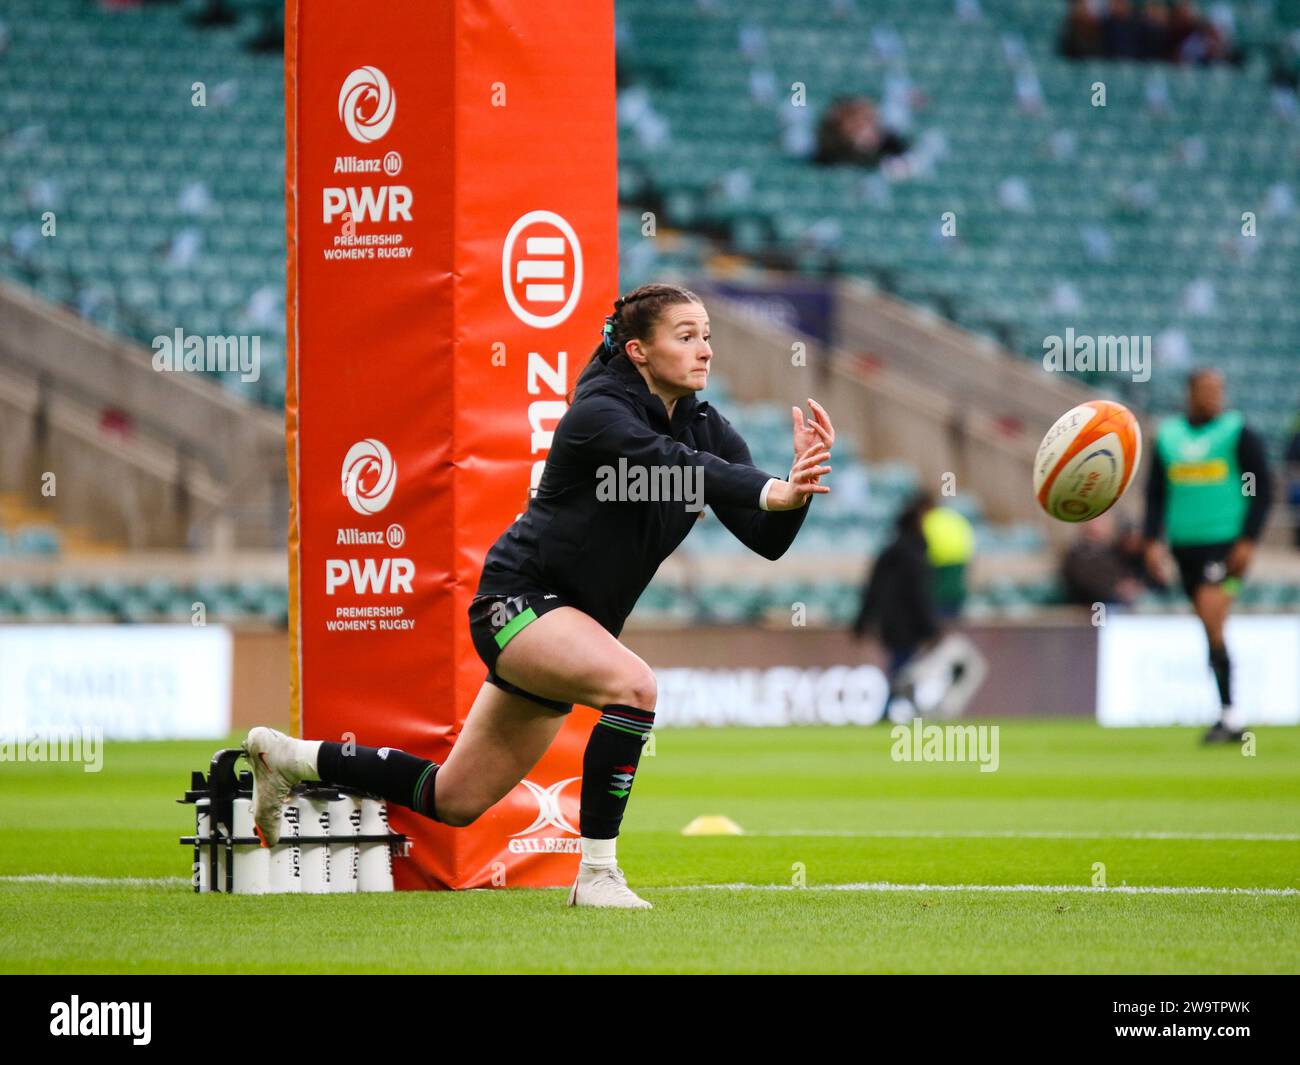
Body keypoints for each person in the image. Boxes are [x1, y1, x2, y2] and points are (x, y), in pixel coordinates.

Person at [243, 283, 835, 908]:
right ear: (638, 350)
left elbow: (766, 540)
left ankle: (290, 758)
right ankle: (598, 876)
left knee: (455, 798)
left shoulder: (704, 425)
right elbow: (668, 465)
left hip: (571, 622)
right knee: (635, 688)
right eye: (686, 336)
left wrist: (795, 493)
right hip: (517, 602)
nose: (705, 350)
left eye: (707, 335)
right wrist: (772, 486)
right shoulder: (599, 412)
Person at [1142, 369, 1273, 743]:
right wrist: (1152, 540)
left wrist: (1248, 539)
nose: (1215, 395)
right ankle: (1227, 713)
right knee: (1207, 622)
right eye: (1207, 389)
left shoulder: (1236, 431)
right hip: (1185, 544)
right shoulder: (1168, 436)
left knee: (1212, 614)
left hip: (1224, 543)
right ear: (1190, 393)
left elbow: (1260, 487)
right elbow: (1156, 493)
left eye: (1219, 388)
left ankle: (1231, 715)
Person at [851, 492, 941, 721]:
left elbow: (872, 588)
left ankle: (905, 710)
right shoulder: (913, 554)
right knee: (901, 667)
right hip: (905, 624)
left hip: (891, 622)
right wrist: (930, 627)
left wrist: (862, 621)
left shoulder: (893, 550)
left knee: (903, 666)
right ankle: (888, 711)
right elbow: (918, 595)